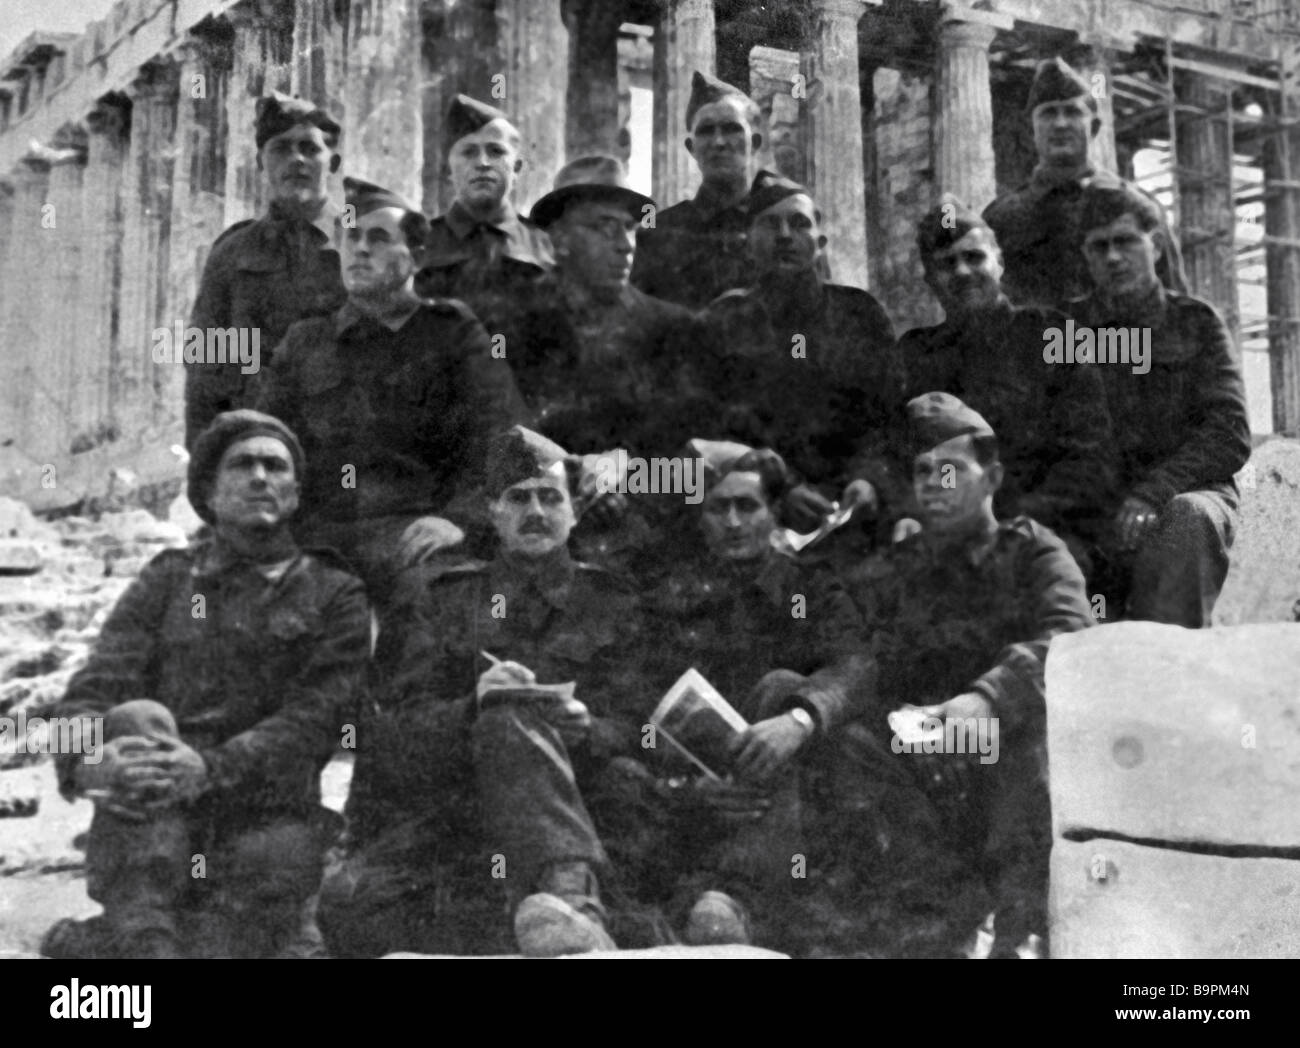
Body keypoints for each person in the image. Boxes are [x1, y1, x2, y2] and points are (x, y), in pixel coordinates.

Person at [43, 411, 370, 959]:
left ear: (294, 494)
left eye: (275, 467)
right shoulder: (169, 578)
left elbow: (318, 717)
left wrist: (209, 769)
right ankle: (145, 940)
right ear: (209, 493)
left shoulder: (334, 593)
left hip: (266, 813)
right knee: (140, 719)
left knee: (236, 929)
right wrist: (88, 762)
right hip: (152, 811)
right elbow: (94, 687)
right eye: (243, 465)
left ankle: (112, 944)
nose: (261, 477)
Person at [320, 427, 648, 957]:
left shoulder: (611, 602)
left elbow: (645, 727)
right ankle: (570, 907)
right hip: (464, 806)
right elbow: (396, 731)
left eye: (549, 497)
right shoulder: (443, 600)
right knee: (351, 907)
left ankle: (576, 904)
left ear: (574, 513)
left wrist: (589, 727)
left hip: (590, 805)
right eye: (518, 498)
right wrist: (472, 707)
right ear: (493, 511)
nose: (535, 511)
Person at [835, 393, 1094, 958]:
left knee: (1022, 738)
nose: (933, 482)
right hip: (931, 763)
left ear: (992, 476)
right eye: (922, 470)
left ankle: (1022, 930)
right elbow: (873, 660)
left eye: (950, 468)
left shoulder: (1034, 553)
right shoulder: (901, 569)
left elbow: (1071, 643)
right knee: (850, 744)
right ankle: (930, 918)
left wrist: (984, 701)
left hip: (1009, 761)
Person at [625, 443, 870, 953]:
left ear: (773, 514)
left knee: (781, 686)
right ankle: (724, 907)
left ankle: (733, 898)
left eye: (748, 506)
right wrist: (688, 786)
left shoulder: (810, 589)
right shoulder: (671, 605)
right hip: (704, 800)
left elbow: (855, 664)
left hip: (808, 791)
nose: (734, 522)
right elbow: (642, 715)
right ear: (701, 520)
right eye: (719, 509)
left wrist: (800, 720)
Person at [257, 176, 526, 593]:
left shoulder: (455, 334)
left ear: (417, 257)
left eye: (379, 238)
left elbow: (503, 440)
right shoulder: (305, 341)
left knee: (435, 610)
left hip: (417, 536)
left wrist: (459, 521)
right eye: (352, 236)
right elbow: (268, 443)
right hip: (317, 539)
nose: (360, 249)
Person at [1066, 180, 1251, 627]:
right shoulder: (1067, 330)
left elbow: (1228, 431)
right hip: (1100, 509)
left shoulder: (1196, 321)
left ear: (1158, 247)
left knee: (1188, 520)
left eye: (1126, 241)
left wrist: (1154, 491)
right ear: (1086, 258)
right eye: (1099, 246)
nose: (1113, 257)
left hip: (1183, 495)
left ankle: (1170, 679)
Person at [518, 155, 705, 578]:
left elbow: (691, 463)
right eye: (604, 228)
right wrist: (572, 474)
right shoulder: (514, 323)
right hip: (539, 521)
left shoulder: (672, 328)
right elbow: (498, 433)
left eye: (629, 228)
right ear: (559, 241)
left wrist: (626, 472)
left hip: (648, 528)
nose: (625, 244)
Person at [897, 194, 1115, 546]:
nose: (962, 272)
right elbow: (895, 457)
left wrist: (1005, 525)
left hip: (1042, 533)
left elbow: (1089, 458)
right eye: (947, 263)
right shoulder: (915, 353)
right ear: (930, 280)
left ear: (999, 262)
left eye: (973, 257)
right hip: (944, 536)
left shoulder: (1052, 335)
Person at [696, 171, 901, 540]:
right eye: (770, 224)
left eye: (799, 224)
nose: (786, 236)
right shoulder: (724, 319)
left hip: (853, 512)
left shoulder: (860, 314)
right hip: (755, 512)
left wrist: (869, 480)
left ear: (819, 242)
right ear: (747, 243)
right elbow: (709, 428)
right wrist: (780, 489)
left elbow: (888, 418)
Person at [185, 93, 347, 447]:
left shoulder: (364, 242)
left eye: (310, 148)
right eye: (281, 149)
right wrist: (206, 468)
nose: (296, 160)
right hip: (262, 448)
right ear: (261, 162)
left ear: (333, 162)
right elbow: (205, 373)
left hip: (347, 451)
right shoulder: (232, 254)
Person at [983, 56, 1186, 310]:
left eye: (1072, 112)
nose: (1060, 123)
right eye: (1048, 114)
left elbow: (1174, 307)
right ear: (1030, 129)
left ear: (1095, 126)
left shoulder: (1137, 208)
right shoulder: (1001, 219)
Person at [415, 94, 554, 338]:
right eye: (468, 152)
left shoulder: (545, 246)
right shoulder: (419, 243)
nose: (482, 162)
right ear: (449, 169)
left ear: (517, 169)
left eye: (496, 151)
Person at [632, 72, 774, 307]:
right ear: (691, 147)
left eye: (732, 129)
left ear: (755, 143)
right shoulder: (657, 235)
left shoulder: (784, 227)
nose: (719, 142)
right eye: (706, 131)